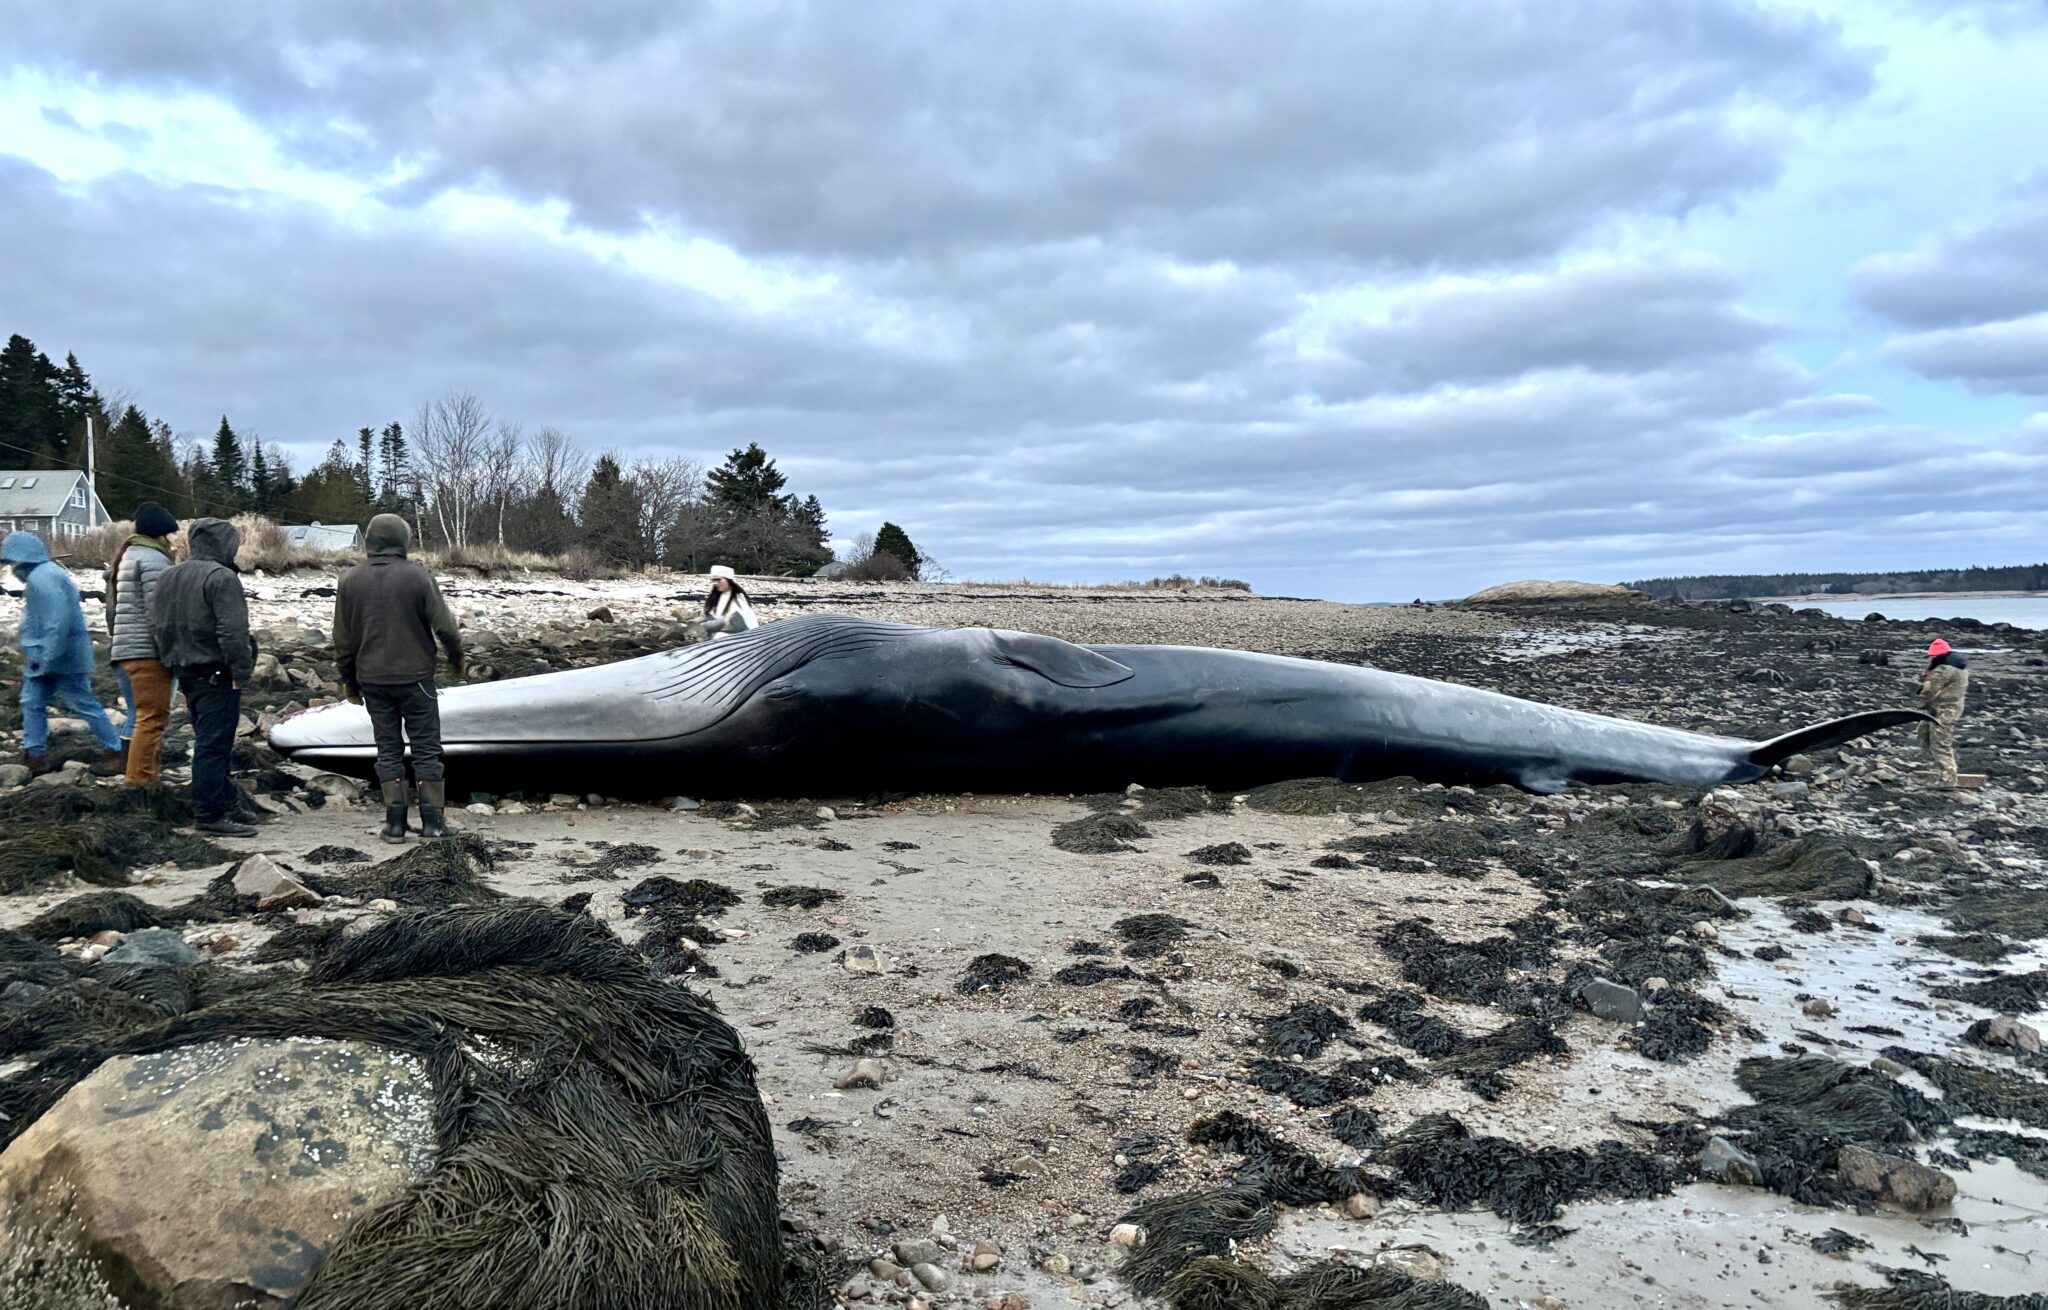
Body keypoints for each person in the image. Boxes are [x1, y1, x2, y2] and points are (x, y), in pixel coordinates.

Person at [333, 513, 464, 843]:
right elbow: (445, 627)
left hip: (372, 680)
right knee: (426, 750)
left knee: (387, 750)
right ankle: (433, 823)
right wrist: (457, 658)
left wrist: (348, 679)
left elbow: (343, 639)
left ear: (370, 542)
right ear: (402, 541)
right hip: (416, 678)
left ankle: (394, 824)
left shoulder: (349, 580)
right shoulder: (417, 576)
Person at [150, 518, 258, 836]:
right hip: (216, 670)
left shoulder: (169, 575)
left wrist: (170, 661)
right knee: (214, 744)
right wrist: (241, 671)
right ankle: (209, 814)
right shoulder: (221, 577)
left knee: (210, 740)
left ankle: (224, 803)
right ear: (224, 544)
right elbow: (233, 631)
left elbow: (158, 624)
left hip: (185, 668)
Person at [3, 531, 124, 777]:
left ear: (23, 558)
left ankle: (116, 750)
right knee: (33, 701)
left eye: (11, 561)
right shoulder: (46, 575)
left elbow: (57, 623)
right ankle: (34, 754)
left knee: (81, 702)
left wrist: (45, 657)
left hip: (59, 658)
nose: (10, 567)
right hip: (53, 655)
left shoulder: (42, 579)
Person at [105, 504, 180, 784]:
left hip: (127, 648)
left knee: (146, 716)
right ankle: (140, 782)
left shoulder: (130, 555)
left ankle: (148, 774)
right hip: (147, 652)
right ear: (160, 533)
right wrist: (171, 652)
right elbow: (158, 613)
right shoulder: (153, 560)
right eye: (173, 533)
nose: (176, 539)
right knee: (152, 718)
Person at [1919, 638, 1970, 787]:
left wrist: (1923, 703)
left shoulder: (1943, 669)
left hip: (1942, 710)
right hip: (1951, 707)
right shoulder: (1960, 666)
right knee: (1924, 732)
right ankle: (1942, 768)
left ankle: (1948, 778)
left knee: (1940, 742)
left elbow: (1929, 690)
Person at [702, 565, 758, 639]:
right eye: (714, 580)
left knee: (719, 637)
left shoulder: (738, 597)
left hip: (744, 635)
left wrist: (706, 626)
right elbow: (710, 615)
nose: (715, 583)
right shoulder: (717, 596)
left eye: (719, 580)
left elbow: (735, 623)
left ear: (728, 580)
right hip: (726, 631)